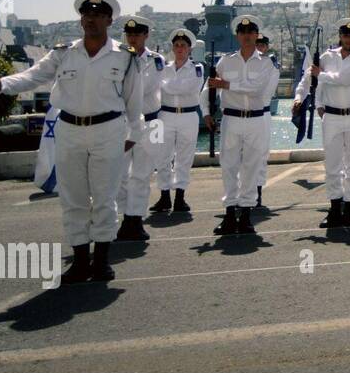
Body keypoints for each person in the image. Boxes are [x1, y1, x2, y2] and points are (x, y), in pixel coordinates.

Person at [0, 0, 142, 283]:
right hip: (69, 130)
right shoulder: (63, 52)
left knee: (105, 197)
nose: (90, 19)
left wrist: (134, 133)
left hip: (109, 131)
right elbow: (33, 75)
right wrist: (2, 84)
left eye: (97, 14)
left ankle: (102, 261)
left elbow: (135, 101)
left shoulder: (125, 57)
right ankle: (81, 260)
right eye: (86, 14)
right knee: (74, 198)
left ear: (109, 20)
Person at [293, 18, 350, 229]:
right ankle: (335, 208)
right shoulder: (326, 57)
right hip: (332, 117)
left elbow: (344, 79)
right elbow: (307, 80)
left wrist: (322, 75)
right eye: (345, 35)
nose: (349, 38)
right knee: (333, 165)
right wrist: (299, 97)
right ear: (340, 36)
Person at [201, 15, 273, 236]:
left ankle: (247, 215)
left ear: (256, 35)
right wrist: (206, 112)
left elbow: (257, 88)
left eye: (251, 32)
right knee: (229, 166)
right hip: (231, 119)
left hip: (255, 119)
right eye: (243, 32)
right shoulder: (226, 61)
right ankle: (230, 213)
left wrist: (226, 84)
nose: (247, 36)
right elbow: (208, 87)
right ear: (237, 35)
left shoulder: (266, 63)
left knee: (251, 166)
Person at [117, 15, 163, 242]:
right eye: (130, 34)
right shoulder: (117, 59)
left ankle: (135, 219)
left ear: (146, 35)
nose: (133, 38)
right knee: (118, 174)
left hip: (152, 121)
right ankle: (126, 215)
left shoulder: (156, 60)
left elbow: (145, 88)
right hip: (123, 122)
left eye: (137, 34)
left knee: (143, 174)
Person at [151, 28, 203, 215]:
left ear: (190, 49)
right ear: (173, 48)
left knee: (184, 157)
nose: (179, 48)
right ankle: (164, 196)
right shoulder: (162, 68)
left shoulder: (197, 69)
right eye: (176, 45)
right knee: (162, 156)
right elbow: (168, 88)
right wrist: (171, 86)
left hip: (188, 116)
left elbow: (189, 88)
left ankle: (180, 197)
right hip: (165, 115)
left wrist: (166, 85)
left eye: (183, 45)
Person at [252, 34, 278, 208]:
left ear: (266, 47)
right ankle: (242, 192)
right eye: (257, 44)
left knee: (261, 154)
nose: (260, 47)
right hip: (242, 114)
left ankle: (258, 193)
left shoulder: (272, 67)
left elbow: (264, 92)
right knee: (240, 155)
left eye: (262, 45)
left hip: (262, 113)